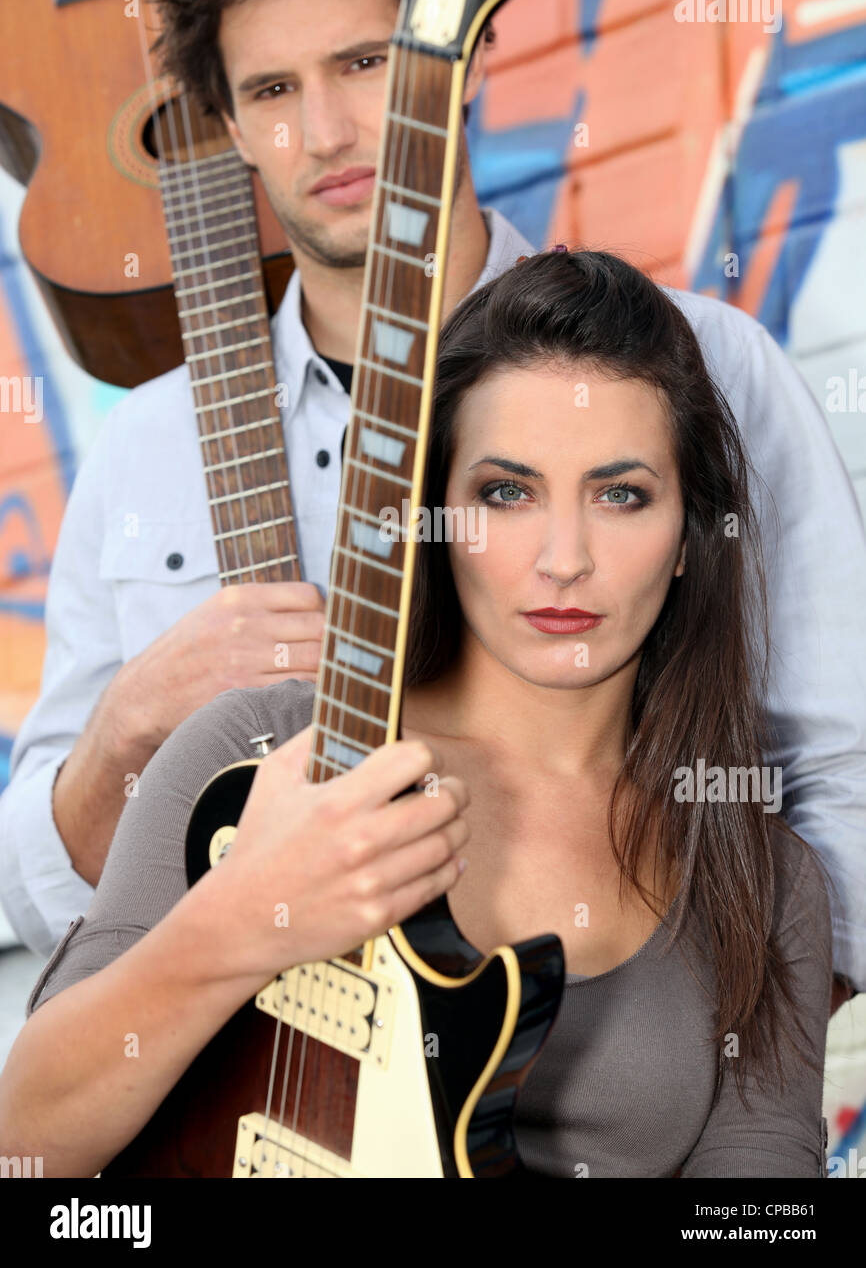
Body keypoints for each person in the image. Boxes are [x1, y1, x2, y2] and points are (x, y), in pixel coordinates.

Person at [0, 0, 862, 1021]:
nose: (326, 133)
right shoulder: (143, 449)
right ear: (229, 124)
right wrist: (127, 726)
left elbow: (836, 757)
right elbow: (44, 899)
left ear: (458, 51)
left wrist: (729, 1062)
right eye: (270, 90)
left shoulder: (706, 365)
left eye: (364, 63)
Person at [0, 248, 833, 1178]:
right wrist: (246, 919)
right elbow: (25, 1142)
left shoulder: (761, 876)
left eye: (621, 495)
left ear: (688, 539)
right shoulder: (263, 752)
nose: (565, 557)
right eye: (505, 493)